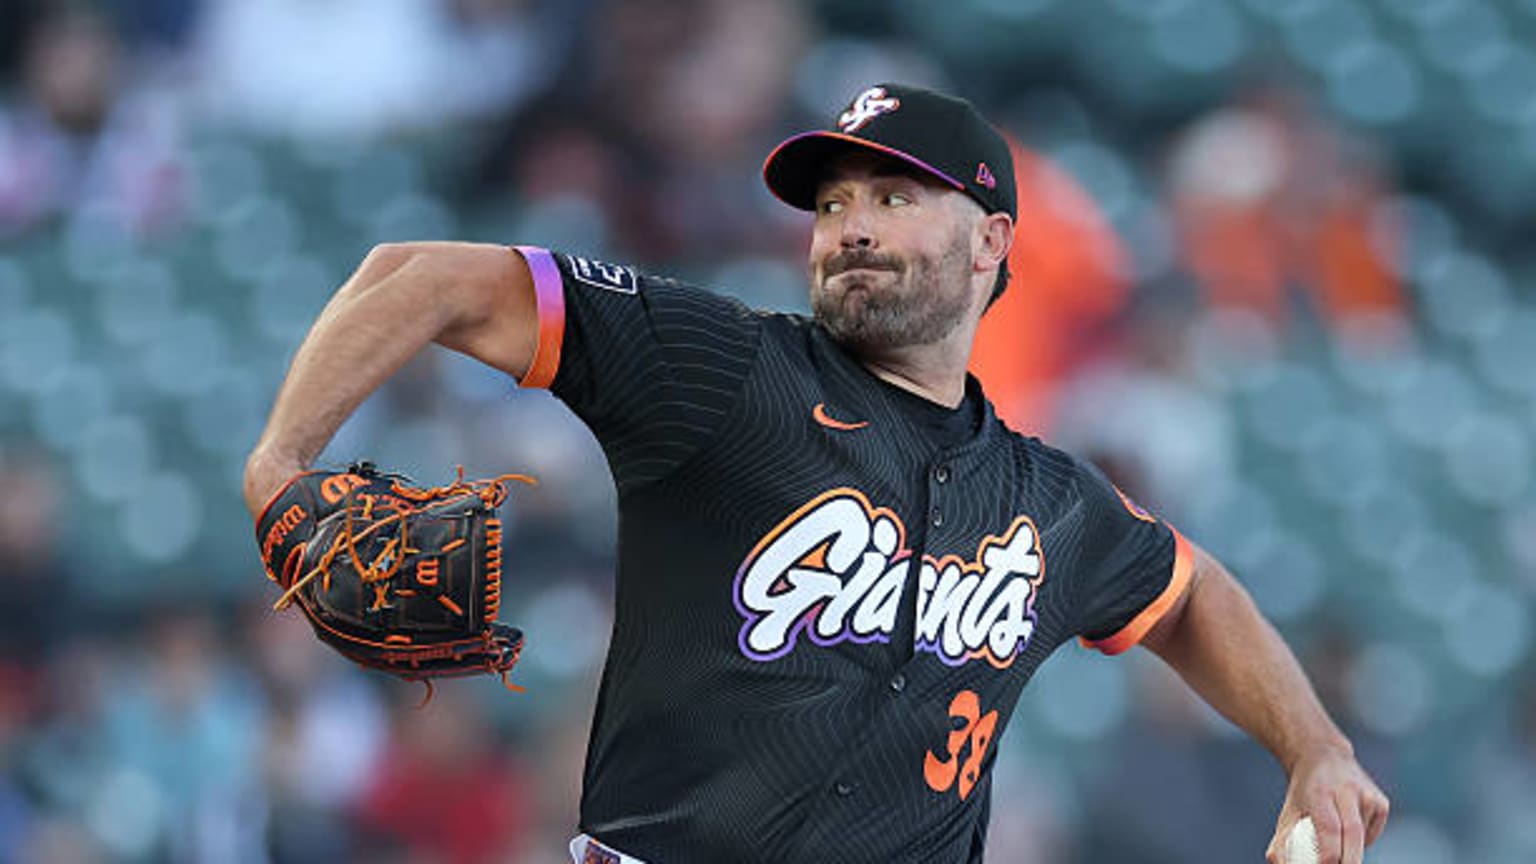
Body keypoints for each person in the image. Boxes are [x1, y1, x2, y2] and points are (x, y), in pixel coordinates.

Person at [243, 83, 1389, 864]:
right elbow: (420, 273)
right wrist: (280, 464)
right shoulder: (721, 367)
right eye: (834, 201)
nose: (851, 225)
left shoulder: (1050, 502)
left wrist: (1316, 749)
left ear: (992, 242)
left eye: (895, 198)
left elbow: (1192, 594)